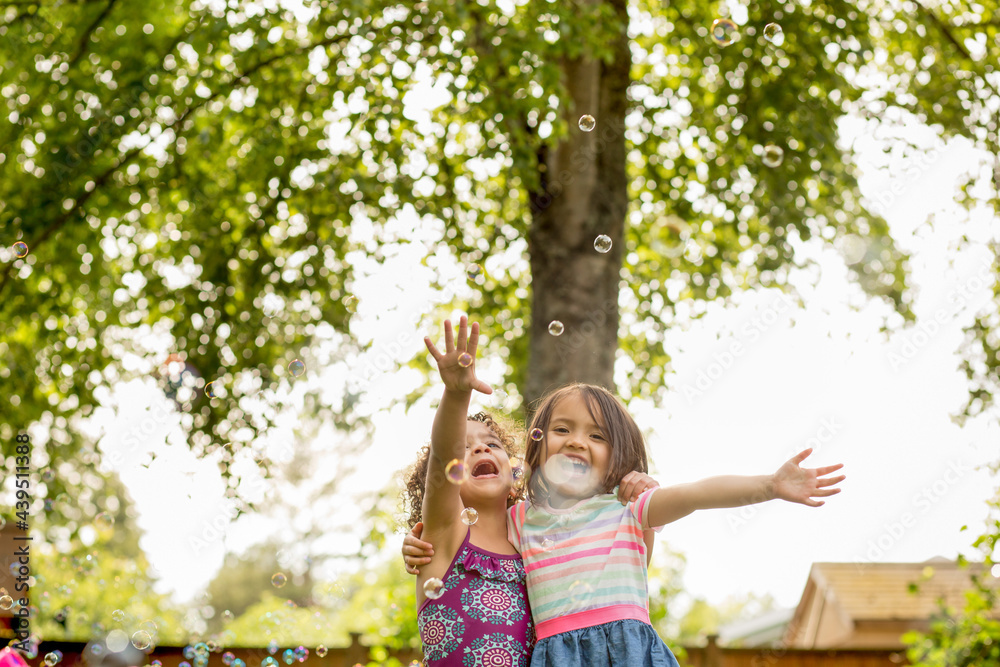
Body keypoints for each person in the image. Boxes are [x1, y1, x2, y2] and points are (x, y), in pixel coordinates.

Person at [406, 381, 846, 666]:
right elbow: (447, 487)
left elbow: (695, 494)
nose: (578, 440)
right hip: (556, 657)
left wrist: (768, 484)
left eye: (597, 436)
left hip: (630, 650)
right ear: (535, 454)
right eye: (562, 430)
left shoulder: (626, 508)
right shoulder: (521, 523)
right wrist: (458, 392)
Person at [407, 317, 660, 666]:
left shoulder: (537, 541)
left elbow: (622, 572)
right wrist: (457, 392)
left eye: (492, 443)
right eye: (464, 448)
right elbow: (442, 455)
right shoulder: (446, 535)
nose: (480, 450)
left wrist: (639, 503)